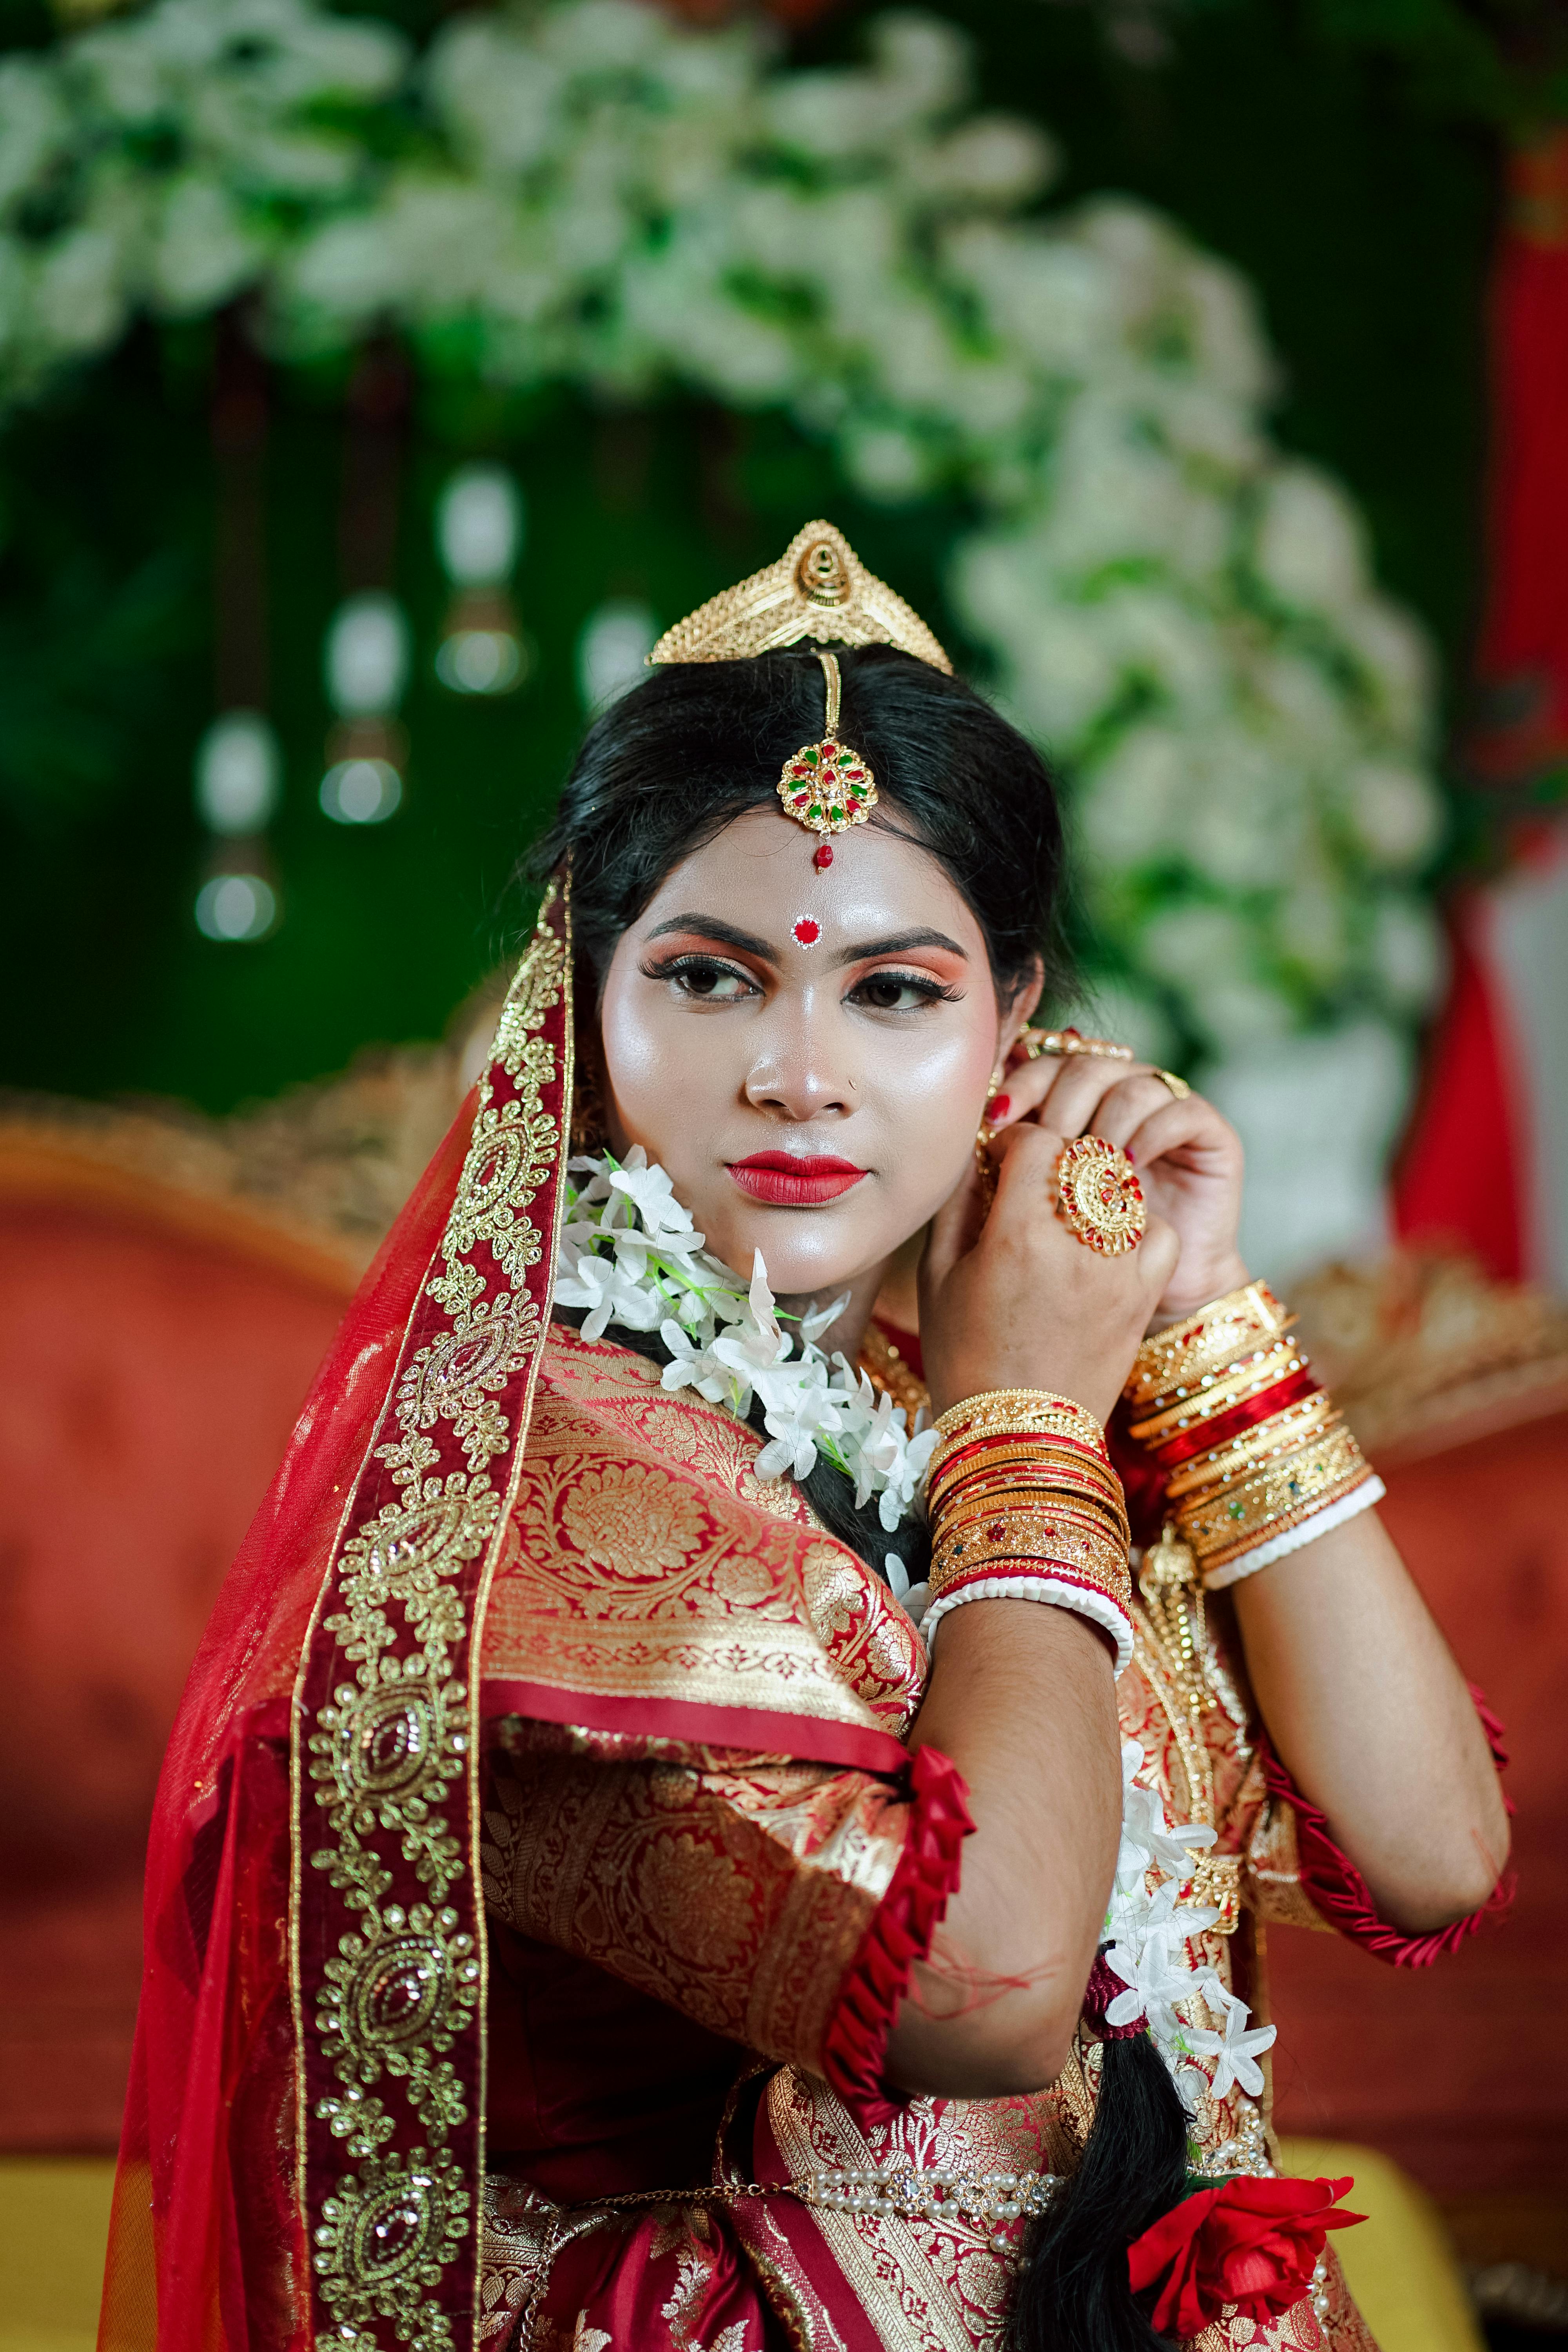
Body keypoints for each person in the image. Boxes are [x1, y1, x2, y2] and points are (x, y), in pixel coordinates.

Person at [99, 523, 1510, 2352]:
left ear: (1014, 1026)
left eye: (894, 992)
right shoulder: (518, 1487)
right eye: (706, 975)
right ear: (585, 1014)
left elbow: (1427, 1851)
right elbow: (984, 1993)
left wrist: (1208, 1319)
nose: (797, 1072)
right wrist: (1031, 1429)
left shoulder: (993, 1396)